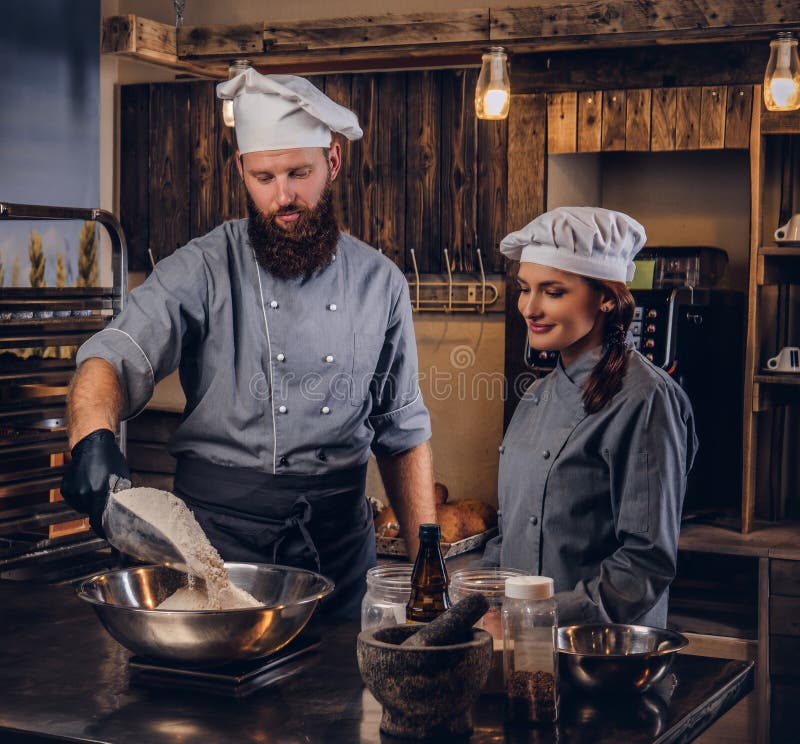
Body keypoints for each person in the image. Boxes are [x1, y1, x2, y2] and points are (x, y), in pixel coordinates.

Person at [61, 70, 436, 619]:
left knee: (339, 701)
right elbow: (112, 356)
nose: (283, 196)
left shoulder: (382, 284)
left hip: (338, 554)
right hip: (215, 552)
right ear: (241, 170)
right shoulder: (203, 268)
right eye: (264, 178)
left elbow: (402, 432)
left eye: (298, 173)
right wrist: (91, 439)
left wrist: (427, 559)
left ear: (333, 162)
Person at [483, 206, 697, 627]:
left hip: (604, 658)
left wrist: (535, 616)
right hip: (526, 649)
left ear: (606, 298)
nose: (530, 308)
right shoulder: (537, 395)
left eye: (553, 291)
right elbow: (511, 535)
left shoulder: (646, 399)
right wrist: (481, 599)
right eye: (525, 289)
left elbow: (644, 565)